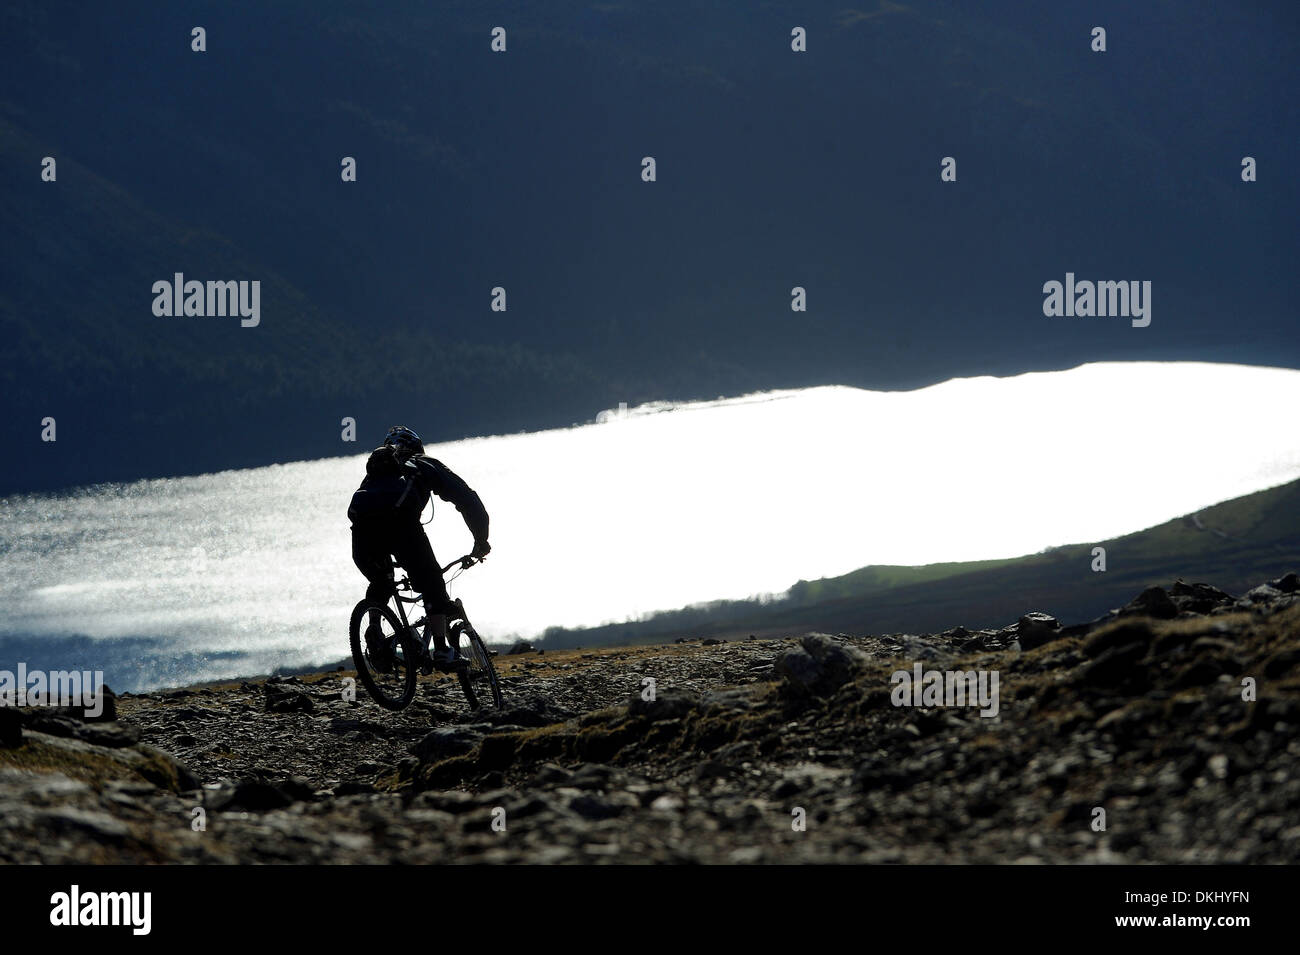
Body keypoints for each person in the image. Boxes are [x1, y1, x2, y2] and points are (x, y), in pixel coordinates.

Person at [348, 426, 490, 671]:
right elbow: (466, 498)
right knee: (431, 581)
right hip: (402, 527)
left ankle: (375, 632)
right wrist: (481, 539)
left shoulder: (373, 477)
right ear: (417, 447)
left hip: (362, 533)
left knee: (382, 580)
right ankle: (442, 650)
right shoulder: (422, 464)